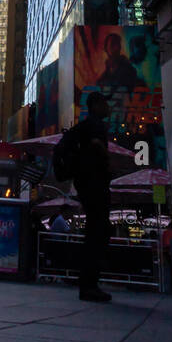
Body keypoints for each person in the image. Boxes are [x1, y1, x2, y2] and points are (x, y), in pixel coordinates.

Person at [67, 91, 114, 303]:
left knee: (96, 231)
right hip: (94, 185)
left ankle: (88, 283)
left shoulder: (86, 125)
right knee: (98, 231)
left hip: (86, 184)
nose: (109, 108)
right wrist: (108, 160)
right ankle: (89, 285)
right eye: (106, 103)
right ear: (96, 105)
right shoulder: (95, 125)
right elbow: (96, 145)